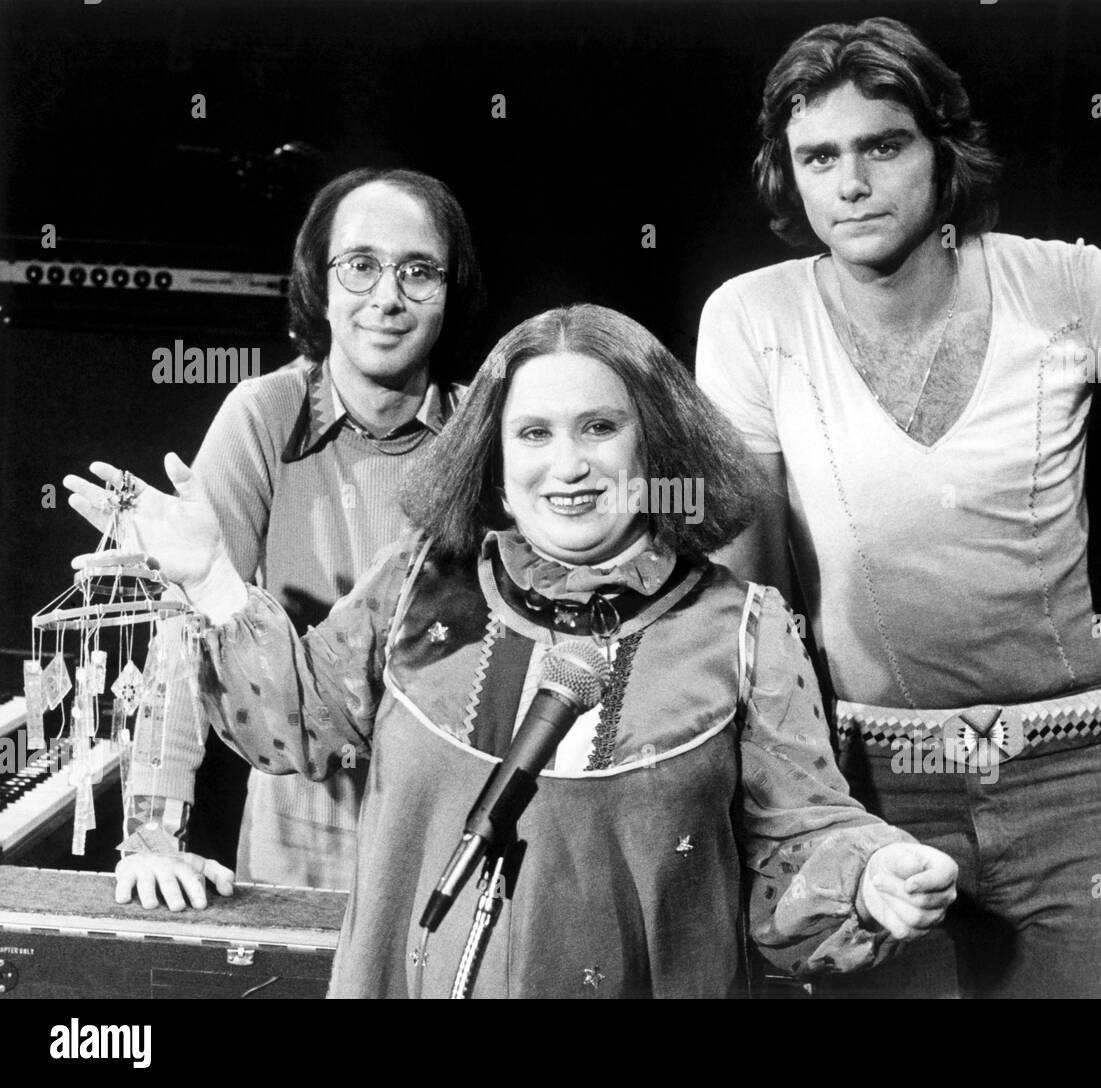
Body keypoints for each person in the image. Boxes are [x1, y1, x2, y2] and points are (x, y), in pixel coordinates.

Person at [64, 303, 958, 998]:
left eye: (600, 429)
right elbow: (296, 731)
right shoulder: (418, 582)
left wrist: (868, 877)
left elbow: (798, 844)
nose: (566, 464)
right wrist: (216, 583)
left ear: (658, 443)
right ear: (493, 461)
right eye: (533, 434)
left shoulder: (744, 628)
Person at [695, 17, 1101, 997]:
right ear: (788, 174)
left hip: (1063, 781)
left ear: (942, 150)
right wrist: (790, 793)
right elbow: (747, 594)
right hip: (862, 788)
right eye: (817, 156)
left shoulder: (1064, 287)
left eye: (881, 145)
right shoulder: (752, 318)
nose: (849, 183)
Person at [114, 168, 486, 907]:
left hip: (462, 837)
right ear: (319, 281)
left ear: (451, 289)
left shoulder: (488, 429)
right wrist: (153, 833)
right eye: (361, 266)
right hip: (302, 839)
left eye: (419, 272)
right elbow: (182, 625)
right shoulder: (263, 413)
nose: (388, 296)